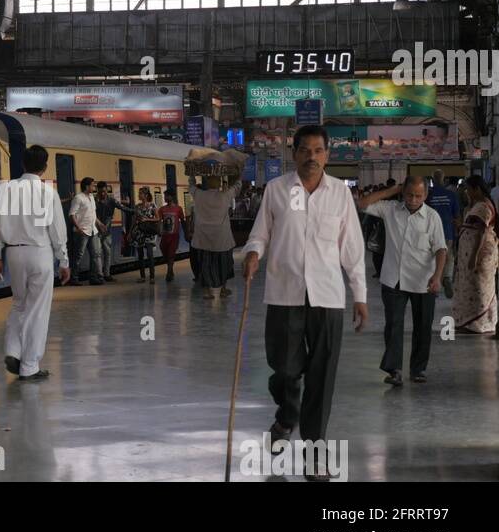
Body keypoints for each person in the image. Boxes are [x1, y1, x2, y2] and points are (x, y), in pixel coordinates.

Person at [243, 125, 367, 481]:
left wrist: (359, 296)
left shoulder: (340, 196)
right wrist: (253, 253)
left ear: (327, 155)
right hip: (285, 294)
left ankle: (315, 452)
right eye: (305, 150)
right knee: (284, 368)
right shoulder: (277, 190)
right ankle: (286, 416)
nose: (311, 157)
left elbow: (352, 249)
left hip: (328, 296)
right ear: (294, 153)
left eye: (318, 151)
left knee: (322, 375)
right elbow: (259, 234)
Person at [0, 145, 70, 381]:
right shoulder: (48, 193)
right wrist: (63, 260)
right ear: (45, 167)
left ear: (23, 164)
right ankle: (29, 365)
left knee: (19, 304)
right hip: (40, 252)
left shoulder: (7, 189)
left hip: (14, 253)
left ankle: (13, 351)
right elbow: (57, 230)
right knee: (37, 310)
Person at [358, 177, 447, 385]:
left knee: (423, 326)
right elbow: (362, 204)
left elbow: (441, 249)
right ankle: (394, 370)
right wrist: (393, 190)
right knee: (393, 325)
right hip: (393, 280)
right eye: (409, 194)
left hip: (423, 281)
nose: (413, 199)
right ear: (402, 192)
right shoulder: (390, 210)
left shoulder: (432, 217)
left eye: (418, 195)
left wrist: (438, 276)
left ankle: (418, 370)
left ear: (425, 195)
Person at [452, 175, 499, 334]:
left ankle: (480, 324)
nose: (466, 192)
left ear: (476, 189)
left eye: (468, 189)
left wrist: (474, 256)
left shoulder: (484, 206)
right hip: (471, 254)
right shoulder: (477, 205)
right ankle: (469, 323)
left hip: (479, 255)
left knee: (479, 288)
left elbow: (481, 232)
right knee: (471, 288)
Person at [189, 172, 240, 299]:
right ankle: (222, 289)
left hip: (203, 238)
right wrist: (239, 173)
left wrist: (191, 175)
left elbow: (191, 185)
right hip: (222, 238)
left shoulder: (199, 195)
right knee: (225, 264)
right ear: (218, 183)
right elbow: (237, 186)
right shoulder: (225, 195)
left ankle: (207, 291)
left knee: (205, 265)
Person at [425, 169, 461, 299]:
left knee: (433, 258)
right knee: (449, 256)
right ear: (444, 179)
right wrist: (458, 230)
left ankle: (435, 284)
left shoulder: (428, 195)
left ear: (432, 180)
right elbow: (457, 216)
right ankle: (447, 277)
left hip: (430, 232)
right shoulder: (451, 195)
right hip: (448, 230)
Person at [68, 177, 104, 286]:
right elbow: (71, 214)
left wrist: (99, 223)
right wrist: (78, 228)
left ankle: (93, 278)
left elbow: (93, 214)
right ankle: (74, 278)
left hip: (93, 230)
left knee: (95, 254)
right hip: (82, 231)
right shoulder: (78, 198)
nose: (94, 187)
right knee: (78, 255)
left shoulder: (92, 197)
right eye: (93, 185)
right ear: (87, 186)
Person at [94, 181, 133, 282]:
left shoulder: (111, 200)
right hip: (96, 231)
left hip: (107, 231)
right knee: (97, 253)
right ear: (97, 190)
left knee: (107, 253)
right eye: (101, 191)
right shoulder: (93, 201)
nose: (103, 193)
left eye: (104, 191)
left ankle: (106, 274)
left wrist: (134, 211)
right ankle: (100, 275)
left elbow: (123, 208)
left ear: (106, 190)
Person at [131, 187, 159, 283]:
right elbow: (134, 221)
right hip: (139, 233)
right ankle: (142, 276)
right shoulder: (137, 206)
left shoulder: (152, 205)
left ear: (146, 195)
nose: (139, 195)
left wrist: (147, 219)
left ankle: (152, 277)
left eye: (140, 193)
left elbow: (157, 218)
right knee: (140, 255)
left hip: (149, 233)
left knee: (150, 255)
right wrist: (130, 233)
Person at [157, 191, 186, 282]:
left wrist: (186, 232)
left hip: (174, 235)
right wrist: (159, 230)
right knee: (163, 250)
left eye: (166, 196)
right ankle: (170, 268)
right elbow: (159, 221)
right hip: (165, 235)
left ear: (172, 197)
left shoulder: (178, 209)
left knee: (171, 254)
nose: (165, 198)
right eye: (165, 196)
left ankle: (169, 272)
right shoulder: (162, 209)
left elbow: (183, 220)